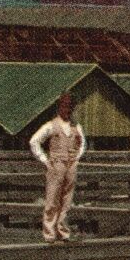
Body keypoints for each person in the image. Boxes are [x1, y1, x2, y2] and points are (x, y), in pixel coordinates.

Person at [29, 92, 86, 242]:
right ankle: (49, 233)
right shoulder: (51, 125)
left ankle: (63, 231)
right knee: (52, 198)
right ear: (59, 108)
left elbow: (82, 144)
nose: (67, 110)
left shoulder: (76, 126)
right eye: (64, 107)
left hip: (71, 164)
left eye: (70, 107)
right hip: (56, 164)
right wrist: (45, 159)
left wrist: (77, 158)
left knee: (67, 200)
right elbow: (34, 141)